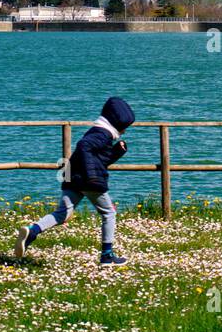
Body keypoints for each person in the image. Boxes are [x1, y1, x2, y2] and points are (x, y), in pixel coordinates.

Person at [15, 96, 135, 265]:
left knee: (62, 214)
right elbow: (84, 146)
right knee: (109, 213)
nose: (124, 131)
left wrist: (115, 152)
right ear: (116, 124)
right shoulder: (103, 134)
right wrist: (92, 176)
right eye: (124, 128)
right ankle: (107, 255)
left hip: (73, 177)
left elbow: (98, 160)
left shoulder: (97, 131)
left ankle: (32, 231)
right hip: (88, 180)